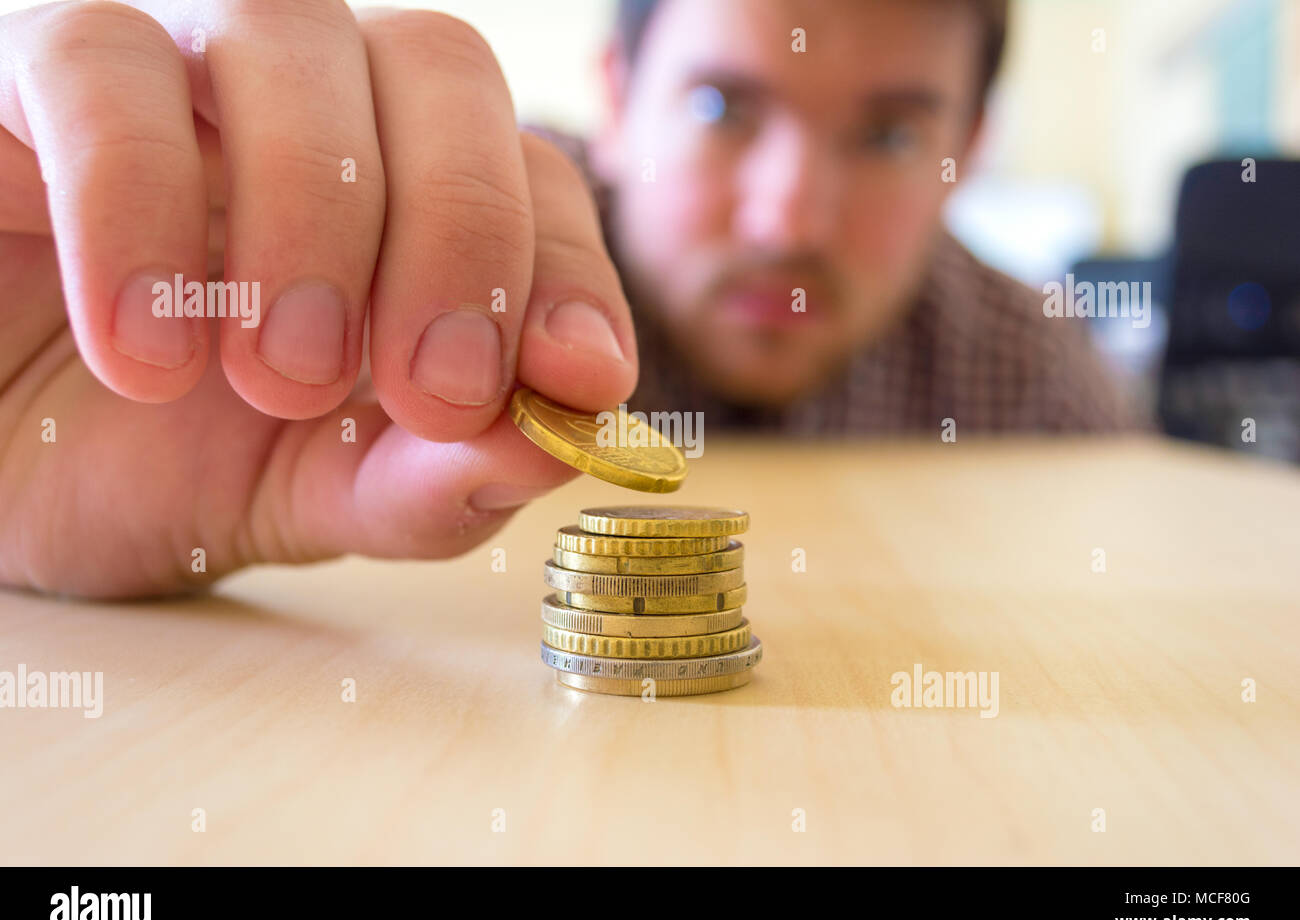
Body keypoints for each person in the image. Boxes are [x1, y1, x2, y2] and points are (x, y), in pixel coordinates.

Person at [0, 0, 1132, 599]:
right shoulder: (410, 266)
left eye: (889, 133)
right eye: (719, 109)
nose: (790, 218)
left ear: (968, 149)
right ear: (618, 100)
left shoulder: (1040, 377)